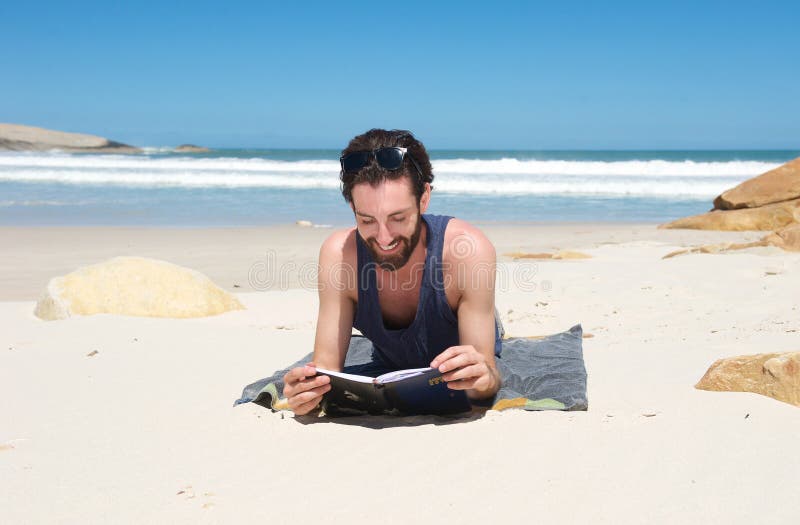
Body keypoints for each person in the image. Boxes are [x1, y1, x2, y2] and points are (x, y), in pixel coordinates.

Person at [283, 129, 502, 415]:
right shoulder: (340, 256)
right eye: (367, 220)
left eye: (398, 218)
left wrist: (483, 379)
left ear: (424, 198)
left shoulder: (468, 251)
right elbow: (326, 369)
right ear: (352, 207)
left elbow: (487, 375)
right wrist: (307, 395)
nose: (384, 238)